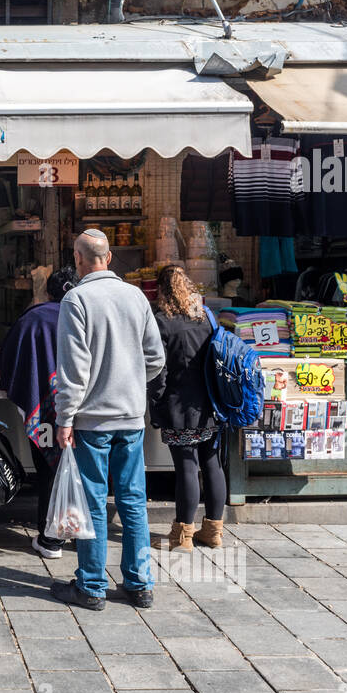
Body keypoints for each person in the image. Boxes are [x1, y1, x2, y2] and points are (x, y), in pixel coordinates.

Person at [51, 229, 165, 611]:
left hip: (92, 421)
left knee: (93, 502)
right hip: (131, 418)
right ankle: (139, 584)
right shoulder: (136, 297)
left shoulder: (77, 299)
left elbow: (73, 369)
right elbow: (156, 358)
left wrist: (64, 417)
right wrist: (131, 384)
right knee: (133, 501)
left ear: (78, 259)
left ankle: (92, 585)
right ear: (110, 257)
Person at [0, 266, 80, 560]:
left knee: (48, 470)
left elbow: (7, 358)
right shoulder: (87, 315)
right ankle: (81, 538)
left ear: (48, 291)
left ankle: (51, 539)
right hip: (86, 408)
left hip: (45, 406)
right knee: (84, 471)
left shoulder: (34, 318)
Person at [149, 264, 225, 551]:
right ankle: (213, 531)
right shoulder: (206, 316)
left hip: (179, 408)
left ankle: (183, 538)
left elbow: (159, 371)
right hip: (210, 404)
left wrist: (154, 401)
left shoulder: (162, 320)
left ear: (161, 290)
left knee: (186, 468)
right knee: (211, 463)